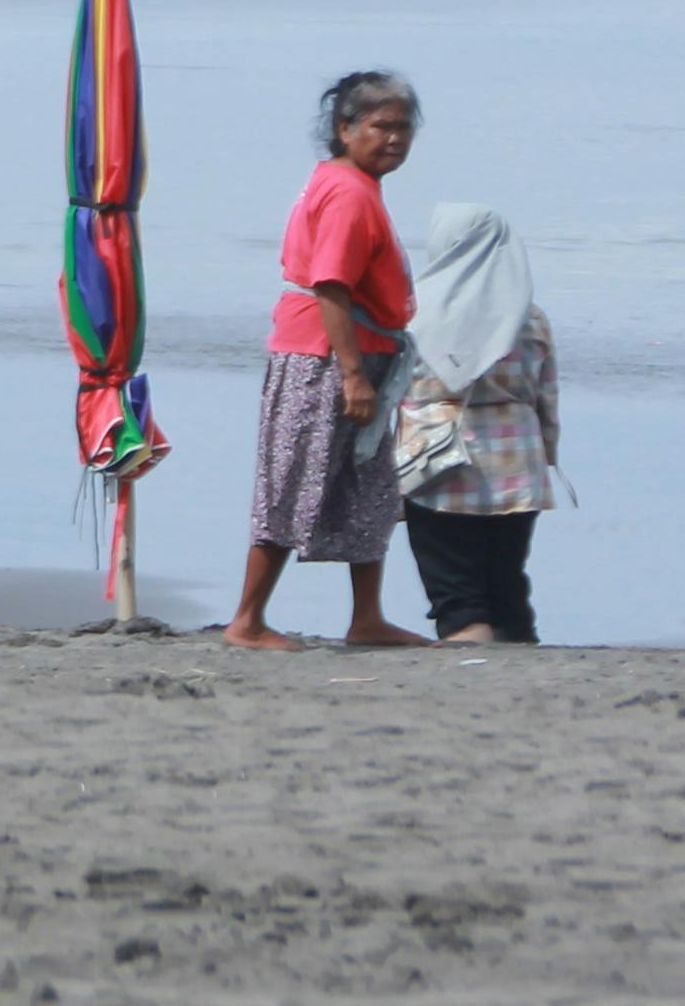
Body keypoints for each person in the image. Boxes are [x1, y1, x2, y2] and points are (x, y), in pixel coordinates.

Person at [230, 69, 427, 652]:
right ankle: (247, 621)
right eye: (379, 126)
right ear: (344, 129)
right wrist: (350, 375)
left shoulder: (356, 184)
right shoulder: (345, 191)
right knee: (292, 482)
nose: (394, 138)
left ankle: (367, 617)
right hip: (323, 358)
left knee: (370, 489)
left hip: (362, 356)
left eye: (403, 127)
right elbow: (332, 286)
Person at [391, 201, 561, 645]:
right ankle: (515, 647)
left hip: (439, 463)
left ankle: (470, 649)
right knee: (507, 580)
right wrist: (549, 455)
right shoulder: (530, 316)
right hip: (518, 465)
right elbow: (545, 396)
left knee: (458, 591)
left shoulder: (412, 313)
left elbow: (398, 388)